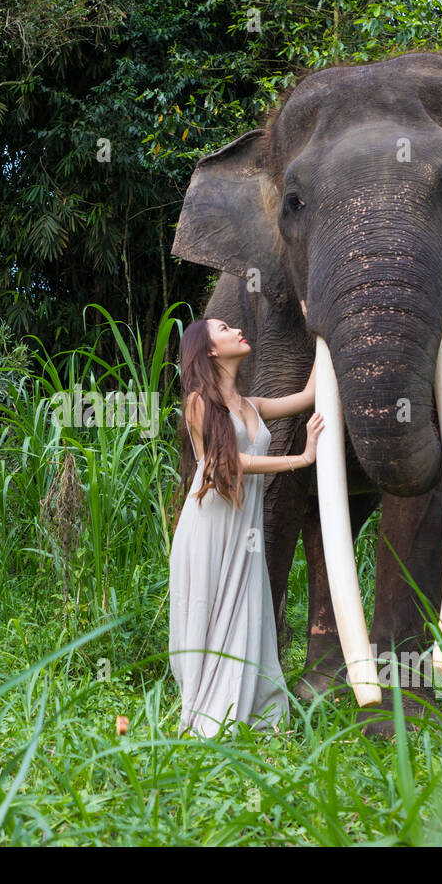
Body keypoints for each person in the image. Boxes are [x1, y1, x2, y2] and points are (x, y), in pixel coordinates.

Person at [168, 306, 323, 738]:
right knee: (212, 612)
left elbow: (309, 395)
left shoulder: (251, 405)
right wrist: (301, 458)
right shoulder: (199, 403)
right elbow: (224, 463)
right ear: (210, 351)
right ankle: (209, 714)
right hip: (210, 530)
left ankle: (255, 713)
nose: (237, 328)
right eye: (223, 328)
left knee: (248, 609)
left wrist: (320, 326)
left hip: (243, 531)